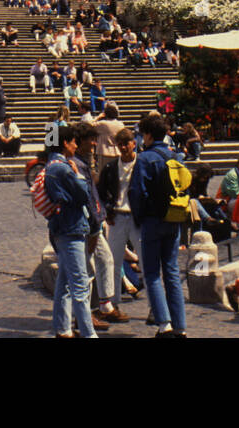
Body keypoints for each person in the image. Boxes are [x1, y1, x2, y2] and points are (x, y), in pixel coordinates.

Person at [128, 114, 187, 337]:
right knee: (171, 271)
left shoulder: (145, 158)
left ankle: (164, 324)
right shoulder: (176, 156)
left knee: (152, 273)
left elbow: (137, 192)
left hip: (152, 219)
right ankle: (180, 327)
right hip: (173, 218)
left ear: (149, 135)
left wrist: (139, 217)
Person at [43, 124, 98, 338]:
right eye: (74, 142)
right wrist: (79, 176)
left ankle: (63, 328)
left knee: (64, 283)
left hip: (62, 226)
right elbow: (84, 195)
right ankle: (88, 333)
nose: (76, 145)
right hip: (71, 227)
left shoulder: (52, 164)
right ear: (65, 143)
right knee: (80, 284)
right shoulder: (64, 168)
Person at [70, 121, 121, 329]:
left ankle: (104, 305)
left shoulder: (83, 161)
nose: (94, 144)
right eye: (91, 140)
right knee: (86, 270)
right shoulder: (77, 164)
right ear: (80, 141)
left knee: (105, 259)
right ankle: (82, 316)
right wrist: (94, 226)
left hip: (94, 223)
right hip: (87, 226)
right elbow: (87, 198)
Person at [99, 127, 139, 316]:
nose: (123, 148)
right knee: (113, 261)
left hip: (138, 218)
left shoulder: (142, 164)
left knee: (147, 261)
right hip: (117, 217)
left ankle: (155, 307)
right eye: (120, 144)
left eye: (126, 144)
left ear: (134, 144)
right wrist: (108, 210)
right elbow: (101, 192)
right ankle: (113, 303)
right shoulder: (110, 167)